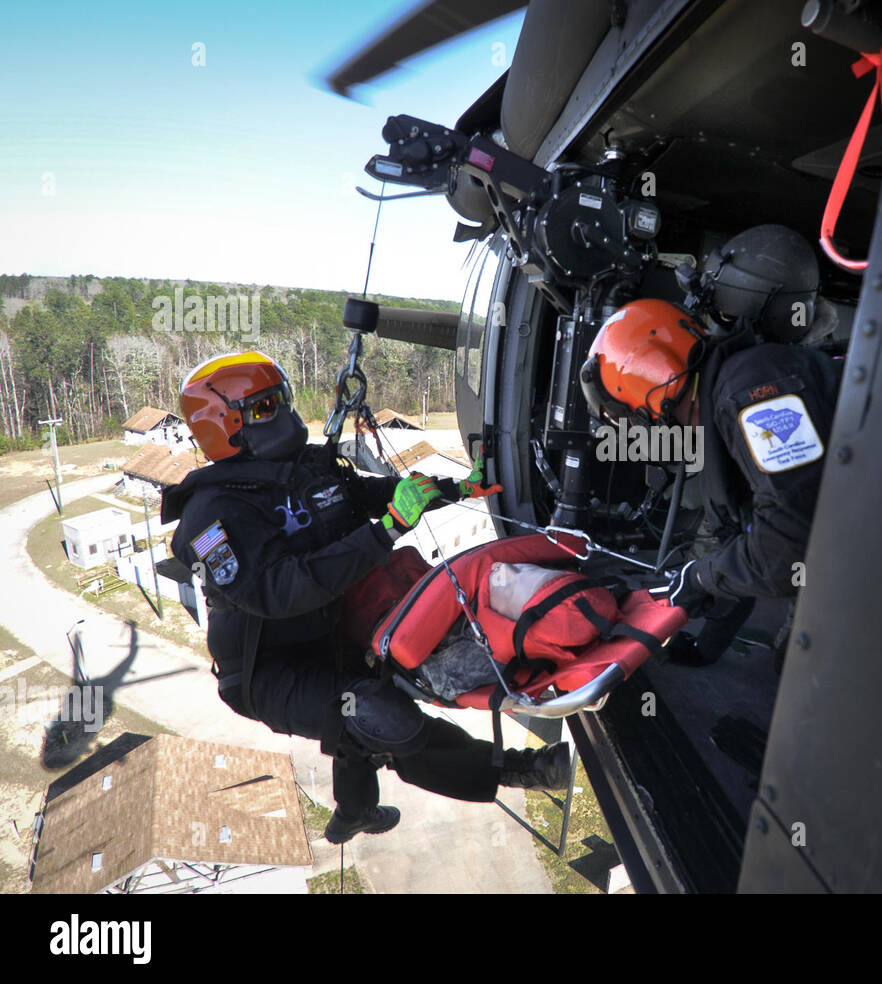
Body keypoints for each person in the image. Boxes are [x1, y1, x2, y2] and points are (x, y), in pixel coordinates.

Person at [161, 350, 569, 845]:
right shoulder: (210, 517)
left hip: (331, 630)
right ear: (224, 427)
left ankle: (353, 811)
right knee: (378, 715)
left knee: (360, 714)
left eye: (283, 398)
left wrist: (454, 489)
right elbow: (279, 590)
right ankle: (515, 769)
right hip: (267, 669)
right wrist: (387, 531)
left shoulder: (303, 468)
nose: (284, 413)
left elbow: (362, 496)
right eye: (265, 407)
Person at [580, 225, 841, 666]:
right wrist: (706, 643)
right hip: (849, 548)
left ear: (655, 382)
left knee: (800, 665)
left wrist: (701, 577)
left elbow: (788, 542)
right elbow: (742, 539)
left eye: (640, 416)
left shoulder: (754, 389)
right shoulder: (734, 396)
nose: (651, 428)